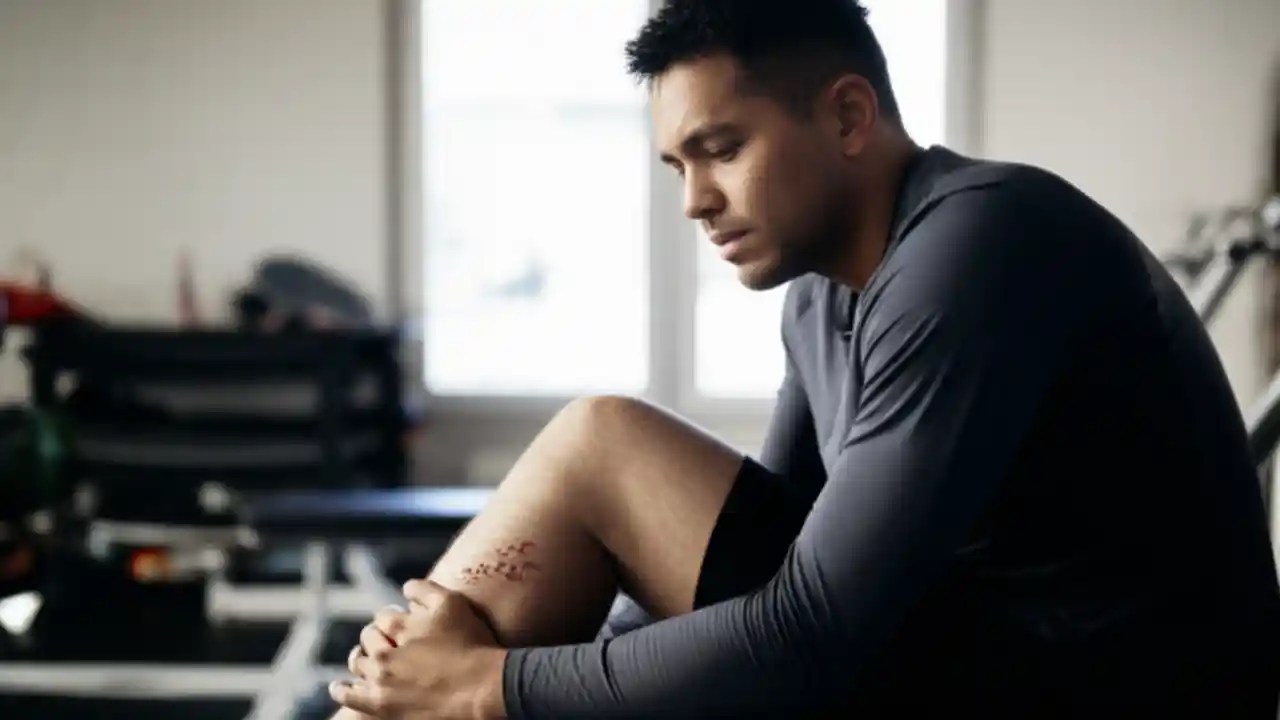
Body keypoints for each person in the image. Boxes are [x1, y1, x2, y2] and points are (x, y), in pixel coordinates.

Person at [330, 1, 1280, 717]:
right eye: (678, 167)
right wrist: (458, 670)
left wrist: (494, 687)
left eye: (723, 149)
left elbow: (808, 628)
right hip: (981, 666)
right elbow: (717, 578)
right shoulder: (823, 298)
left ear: (849, 117)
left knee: (600, 443)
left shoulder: (983, 241)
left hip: (1095, 696)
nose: (696, 200)